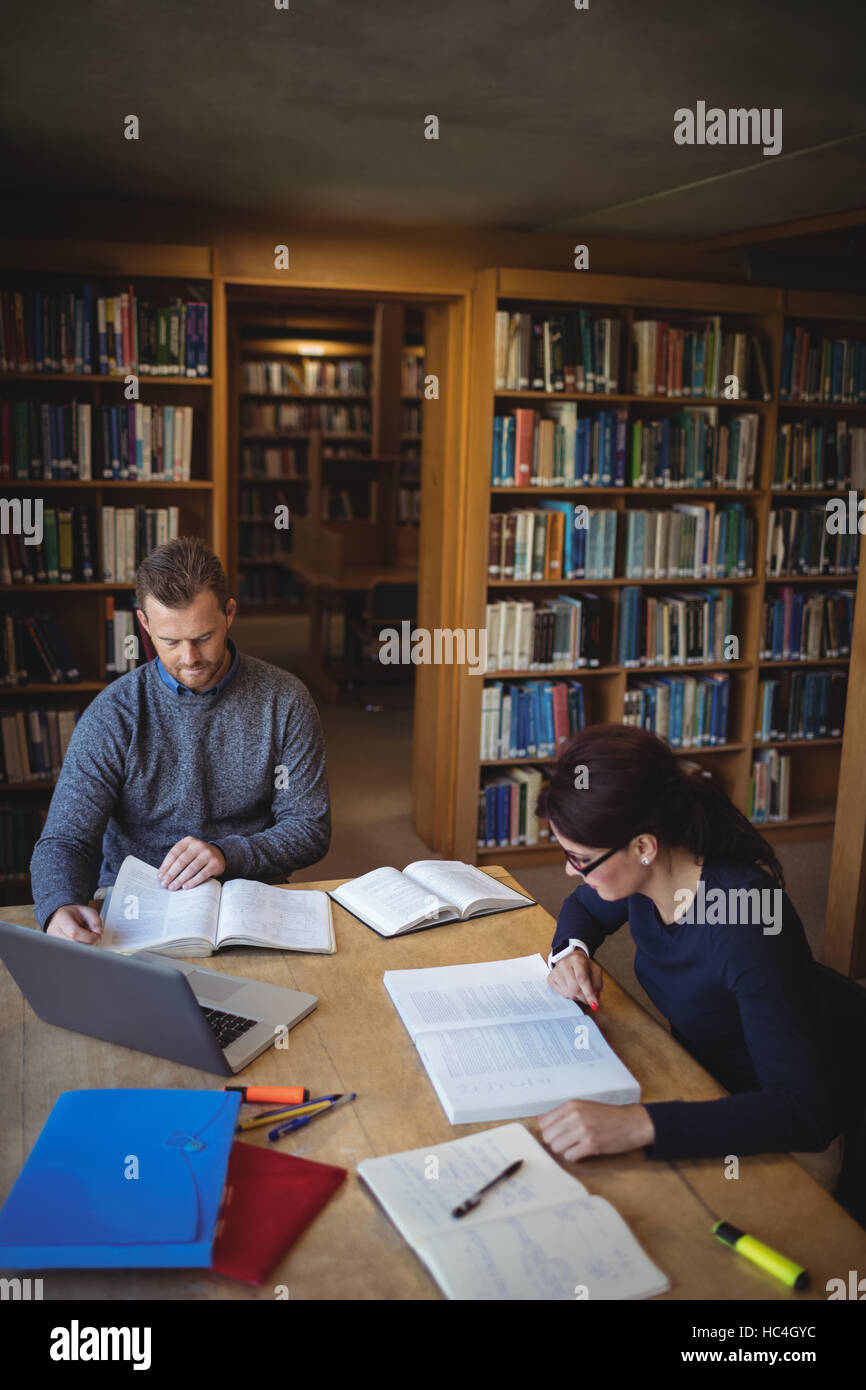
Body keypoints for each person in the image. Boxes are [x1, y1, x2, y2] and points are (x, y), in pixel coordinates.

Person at [533, 723, 843, 1187]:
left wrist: (639, 1124)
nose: (569, 870)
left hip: (779, 1132)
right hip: (695, 1080)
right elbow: (583, 908)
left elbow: (802, 1112)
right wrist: (571, 952)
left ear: (642, 846)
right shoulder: (653, 870)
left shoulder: (746, 919)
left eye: (579, 858)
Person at [32, 536, 331, 942]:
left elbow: (309, 827)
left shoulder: (285, 699)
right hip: (137, 909)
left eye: (203, 637)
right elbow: (66, 838)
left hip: (250, 899)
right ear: (144, 624)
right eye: (170, 642)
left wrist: (227, 854)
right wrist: (59, 903)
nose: (189, 658)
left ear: (229, 613)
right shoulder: (113, 714)